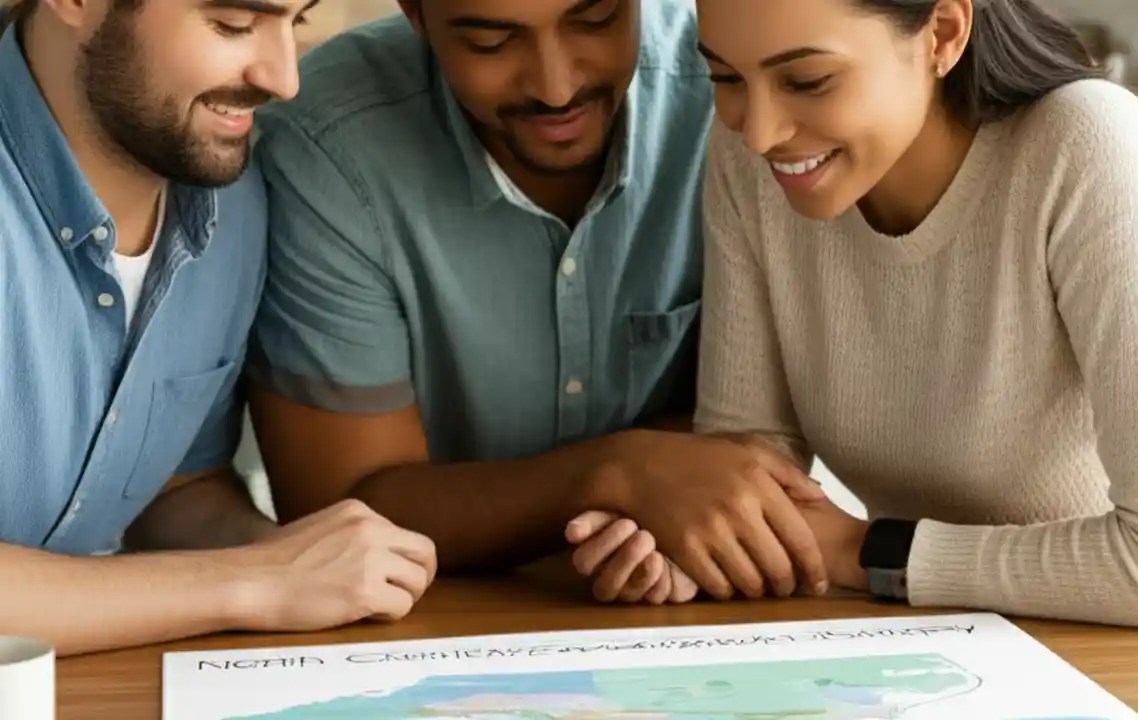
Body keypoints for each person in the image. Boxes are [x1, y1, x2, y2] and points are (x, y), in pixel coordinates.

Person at [567, 0, 1138, 628]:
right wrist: (706, 547)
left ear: (942, 31)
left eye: (807, 80)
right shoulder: (751, 158)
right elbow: (754, 456)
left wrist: (862, 550)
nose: (756, 130)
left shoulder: (1085, 144)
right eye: (725, 77)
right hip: (992, 619)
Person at [246, 0, 835, 605]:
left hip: (684, 606)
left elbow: (761, 436)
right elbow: (338, 517)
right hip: (429, 620)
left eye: (596, 19)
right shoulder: (326, 141)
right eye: (491, 42)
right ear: (416, 14)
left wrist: (658, 490)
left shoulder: (738, 97)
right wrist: (613, 473)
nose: (556, 88)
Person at [0, 0, 436, 656]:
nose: (284, 79)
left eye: (295, 21)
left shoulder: (233, 203)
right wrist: (249, 582)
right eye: (233, 23)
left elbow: (173, 490)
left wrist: (301, 559)